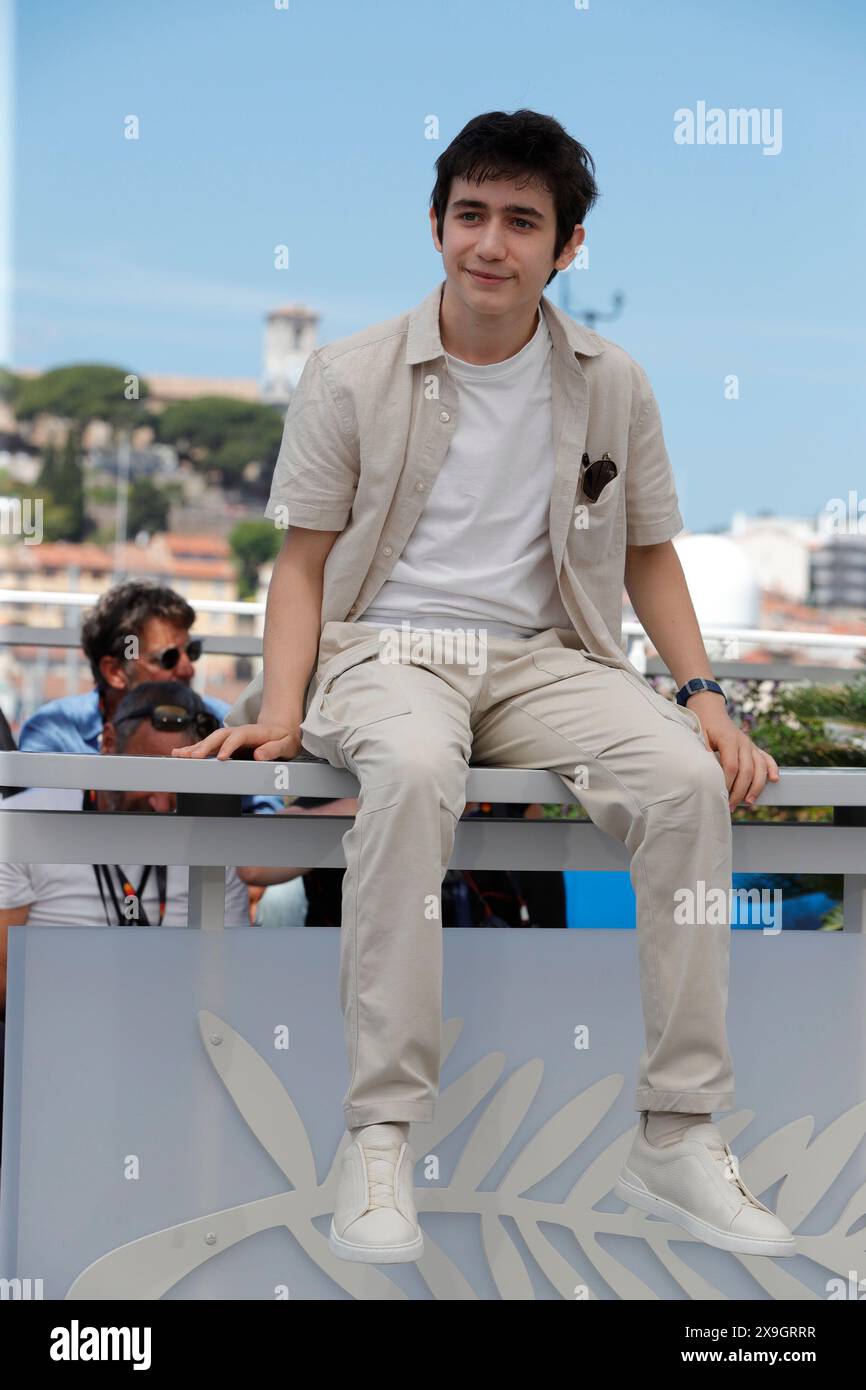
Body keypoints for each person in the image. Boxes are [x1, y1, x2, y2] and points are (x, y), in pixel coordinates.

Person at [173, 109, 794, 1263]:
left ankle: (676, 1129)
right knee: (410, 774)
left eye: (521, 222)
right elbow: (300, 563)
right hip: (387, 651)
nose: (489, 244)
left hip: (549, 658)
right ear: (434, 224)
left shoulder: (613, 383)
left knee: (678, 785)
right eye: (470, 215)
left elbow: (650, 552)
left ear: (565, 248)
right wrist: (276, 709)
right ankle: (380, 1135)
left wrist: (703, 694)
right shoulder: (349, 372)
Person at [0, 681, 253, 1019]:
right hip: (53, 1029)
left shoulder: (211, 844)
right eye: (149, 773)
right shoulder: (24, 824)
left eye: (180, 783)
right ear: (107, 742)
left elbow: (230, 983)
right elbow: (3, 979)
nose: (162, 803)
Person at [16, 579, 283, 817]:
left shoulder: (222, 724)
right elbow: (42, 833)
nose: (187, 668)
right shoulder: (54, 731)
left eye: (192, 651)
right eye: (167, 658)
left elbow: (266, 819)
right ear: (115, 671)